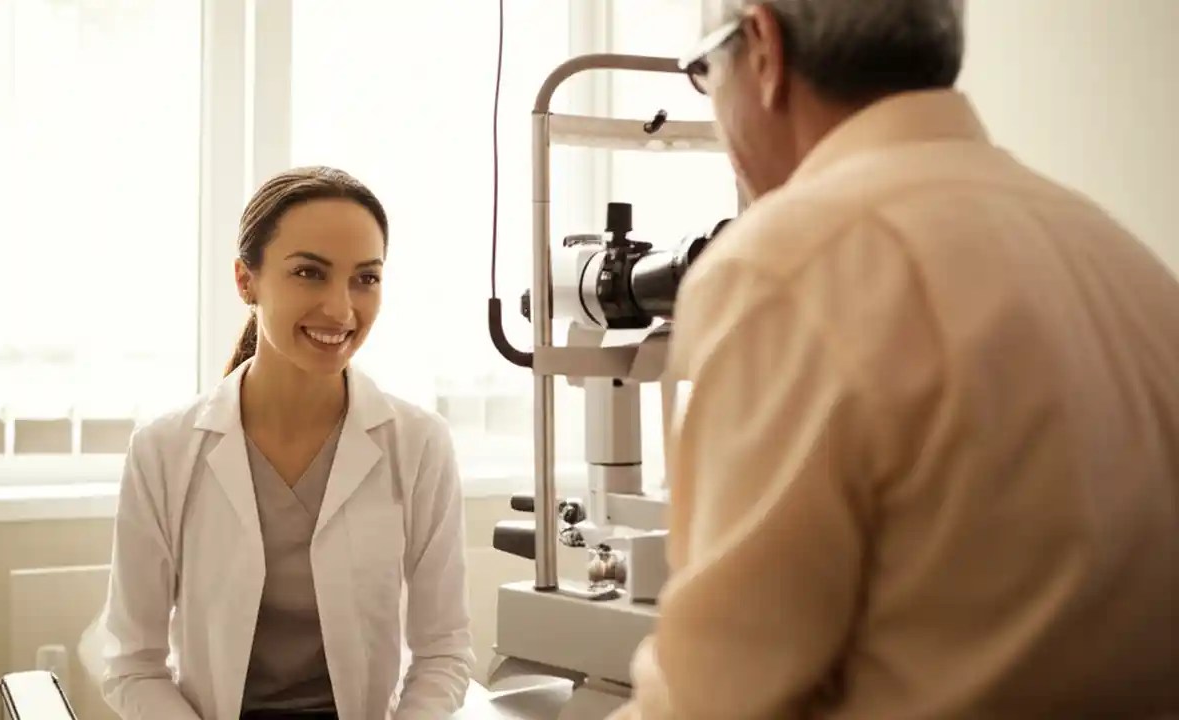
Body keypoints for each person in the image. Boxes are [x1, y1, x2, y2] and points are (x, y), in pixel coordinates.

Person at [612, 1, 1179, 718]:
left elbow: (713, 704)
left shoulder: (787, 266)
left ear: (762, 47)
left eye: (702, 72)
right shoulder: (1125, 263)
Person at [100, 167, 474, 720]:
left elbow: (443, 652)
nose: (342, 310)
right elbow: (132, 664)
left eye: (365, 279)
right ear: (245, 281)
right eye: (309, 273)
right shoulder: (163, 450)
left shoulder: (419, 444)